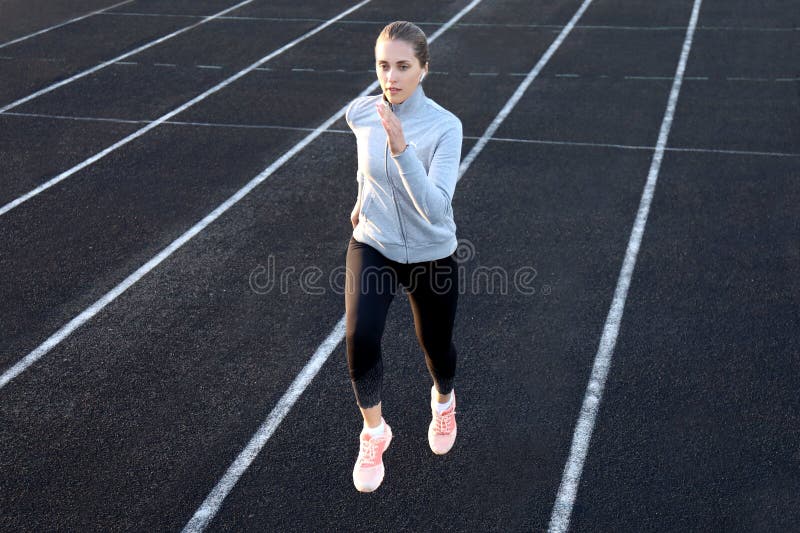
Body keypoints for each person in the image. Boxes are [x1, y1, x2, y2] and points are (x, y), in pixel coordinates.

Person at [343, 20, 463, 493]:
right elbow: (363, 165)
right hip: (374, 243)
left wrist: (401, 149)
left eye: (402, 66)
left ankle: (444, 401)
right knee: (360, 336)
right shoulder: (361, 113)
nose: (390, 77)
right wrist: (361, 197)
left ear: (423, 69)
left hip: (432, 253)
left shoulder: (445, 127)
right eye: (382, 66)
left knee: (436, 348)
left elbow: (436, 209)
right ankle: (374, 431)